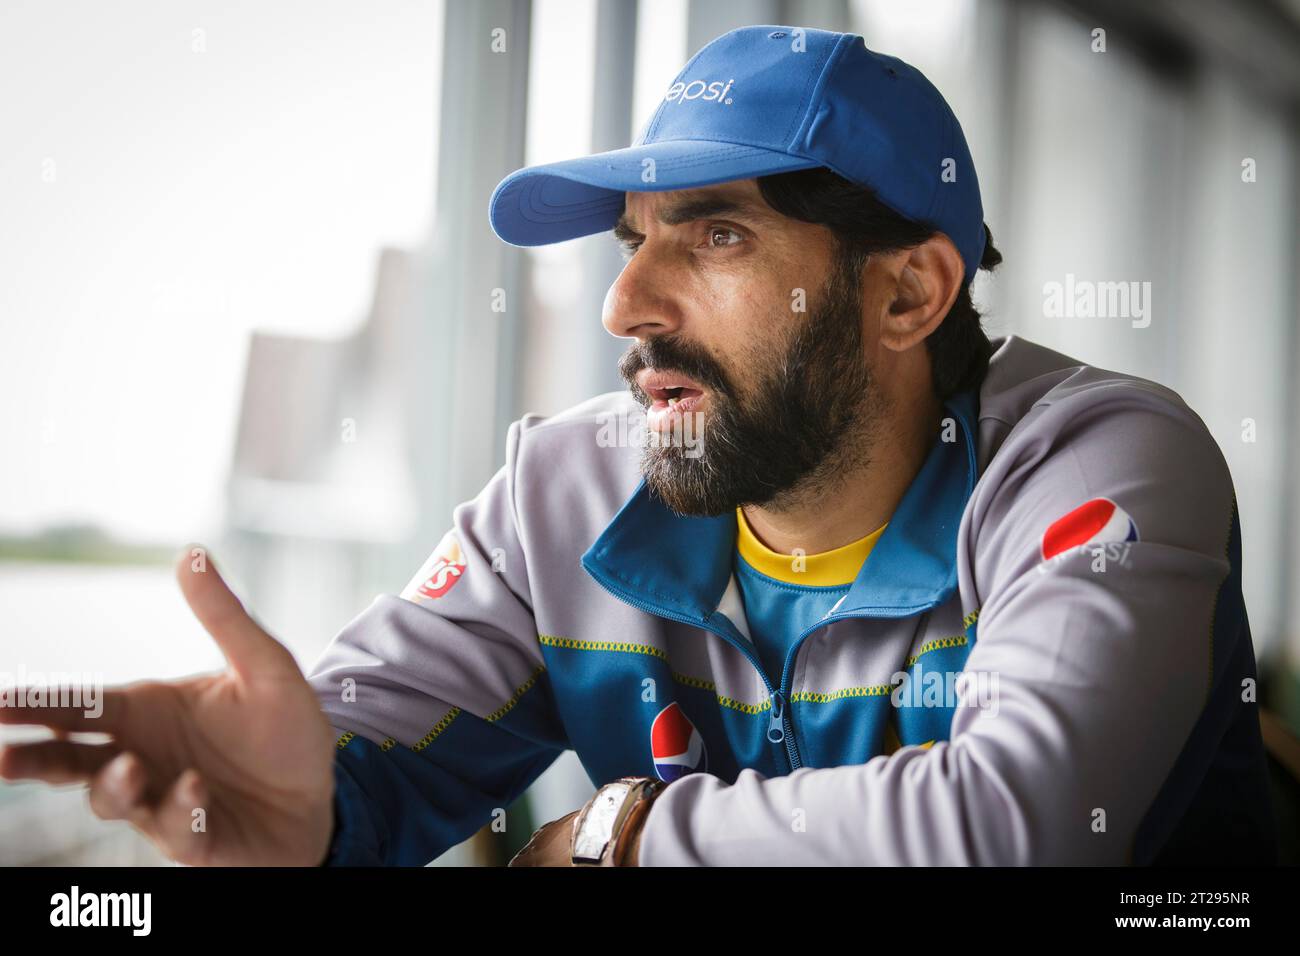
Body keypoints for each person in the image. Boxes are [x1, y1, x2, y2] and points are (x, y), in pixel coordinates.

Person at [0, 25, 1276, 866]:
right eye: (632, 240)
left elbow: (1016, 830)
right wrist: (304, 808)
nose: (626, 305)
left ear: (907, 295)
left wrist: (620, 836)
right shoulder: (562, 487)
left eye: (713, 236)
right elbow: (340, 773)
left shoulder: (1101, 461)